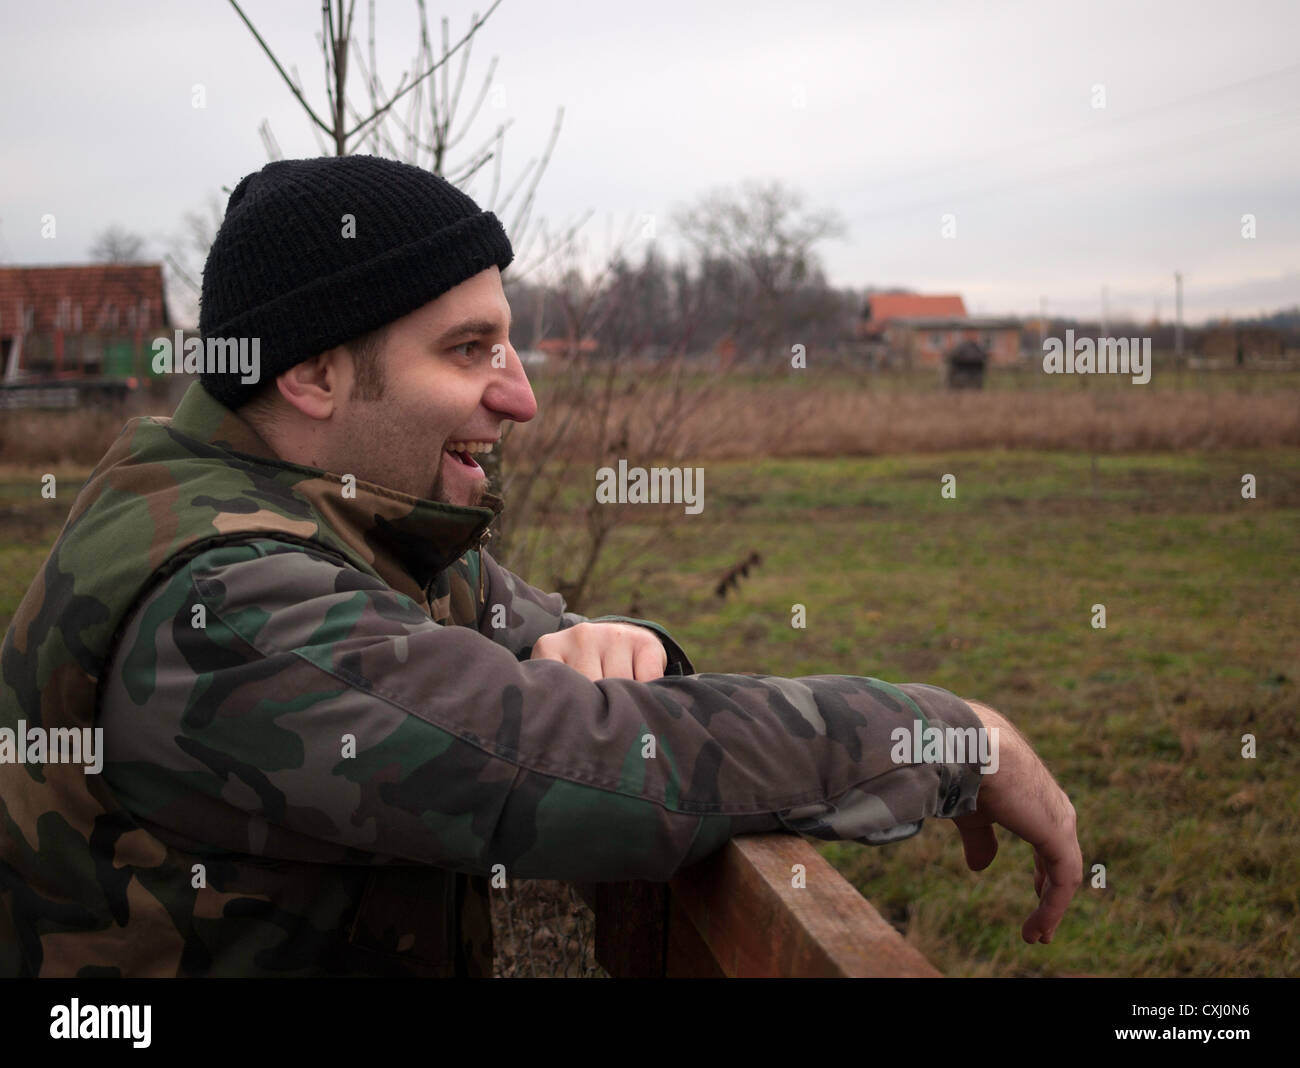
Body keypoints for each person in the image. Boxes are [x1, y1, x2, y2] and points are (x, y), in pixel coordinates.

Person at [0, 156, 1080, 978]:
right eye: (468, 350)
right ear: (314, 374)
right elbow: (582, 762)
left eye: (506, 345)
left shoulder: (310, 517)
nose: (521, 397)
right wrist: (947, 736)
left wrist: (633, 644)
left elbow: (513, 625)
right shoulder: (230, 605)